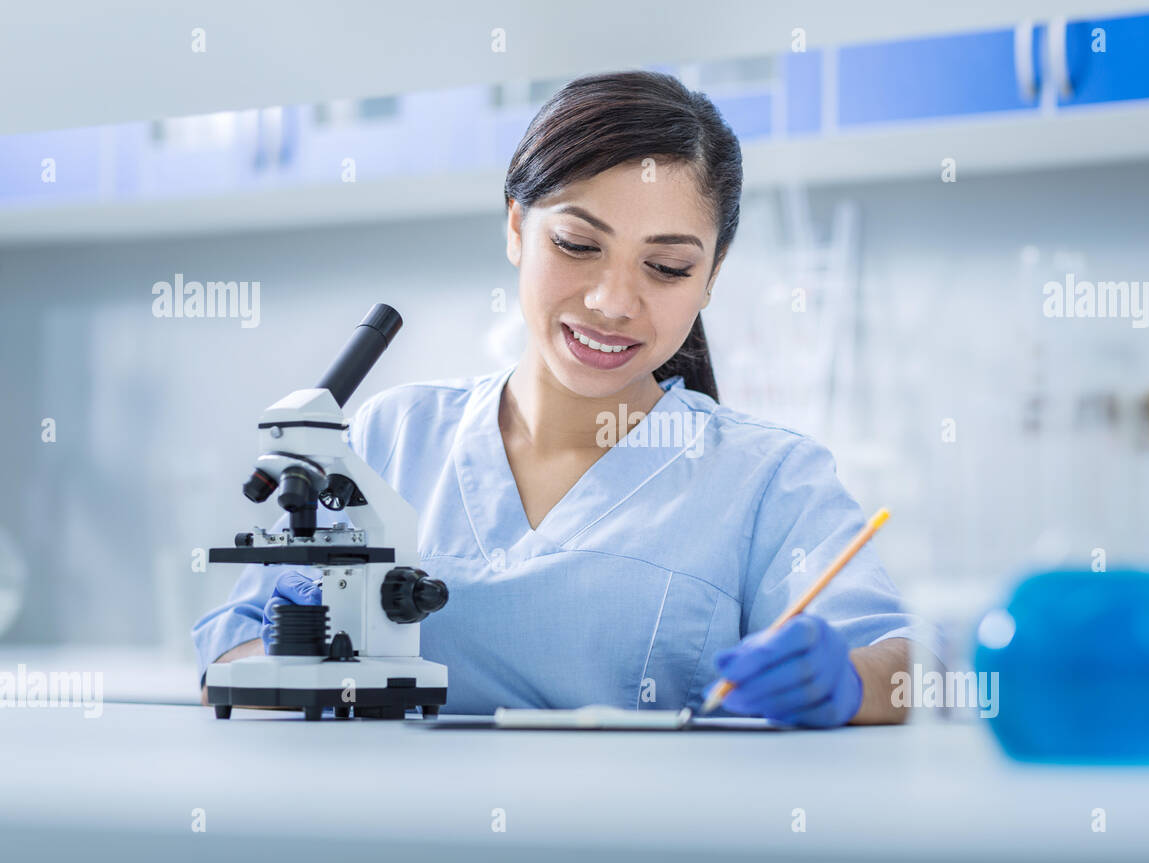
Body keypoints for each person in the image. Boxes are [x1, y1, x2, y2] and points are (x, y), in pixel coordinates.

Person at [193, 70, 942, 727]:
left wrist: (845, 680)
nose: (614, 302)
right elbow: (231, 639)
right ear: (518, 227)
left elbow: (908, 667)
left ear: (711, 276)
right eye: (578, 246)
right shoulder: (391, 438)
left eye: (668, 267)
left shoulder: (767, 479)